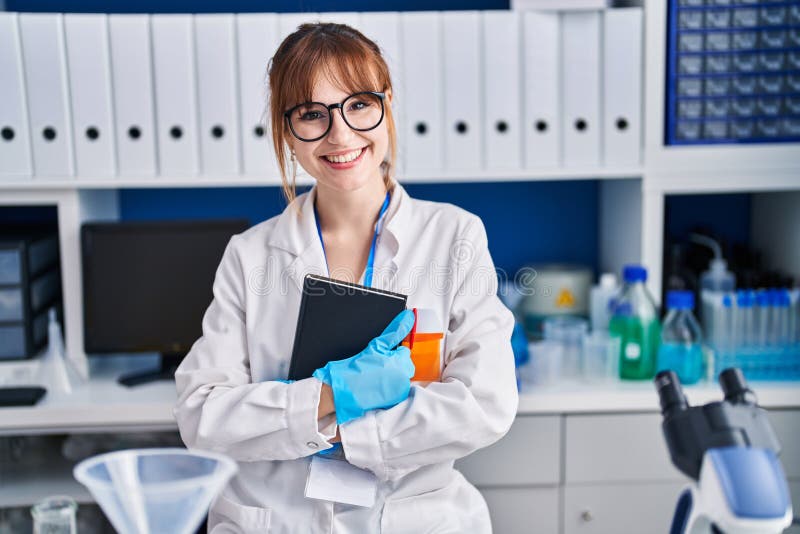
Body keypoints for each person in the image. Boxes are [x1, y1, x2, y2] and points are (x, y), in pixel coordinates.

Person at [174, 22, 518, 533]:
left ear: (387, 103)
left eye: (358, 104)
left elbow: (485, 403)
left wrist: (348, 433)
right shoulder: (250, 256)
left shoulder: (454, 237)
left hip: (412, 519)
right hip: (279, 520)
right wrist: (333, 394)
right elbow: (202, 415)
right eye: (312, 114)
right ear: (286, 131)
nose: (340, 135)